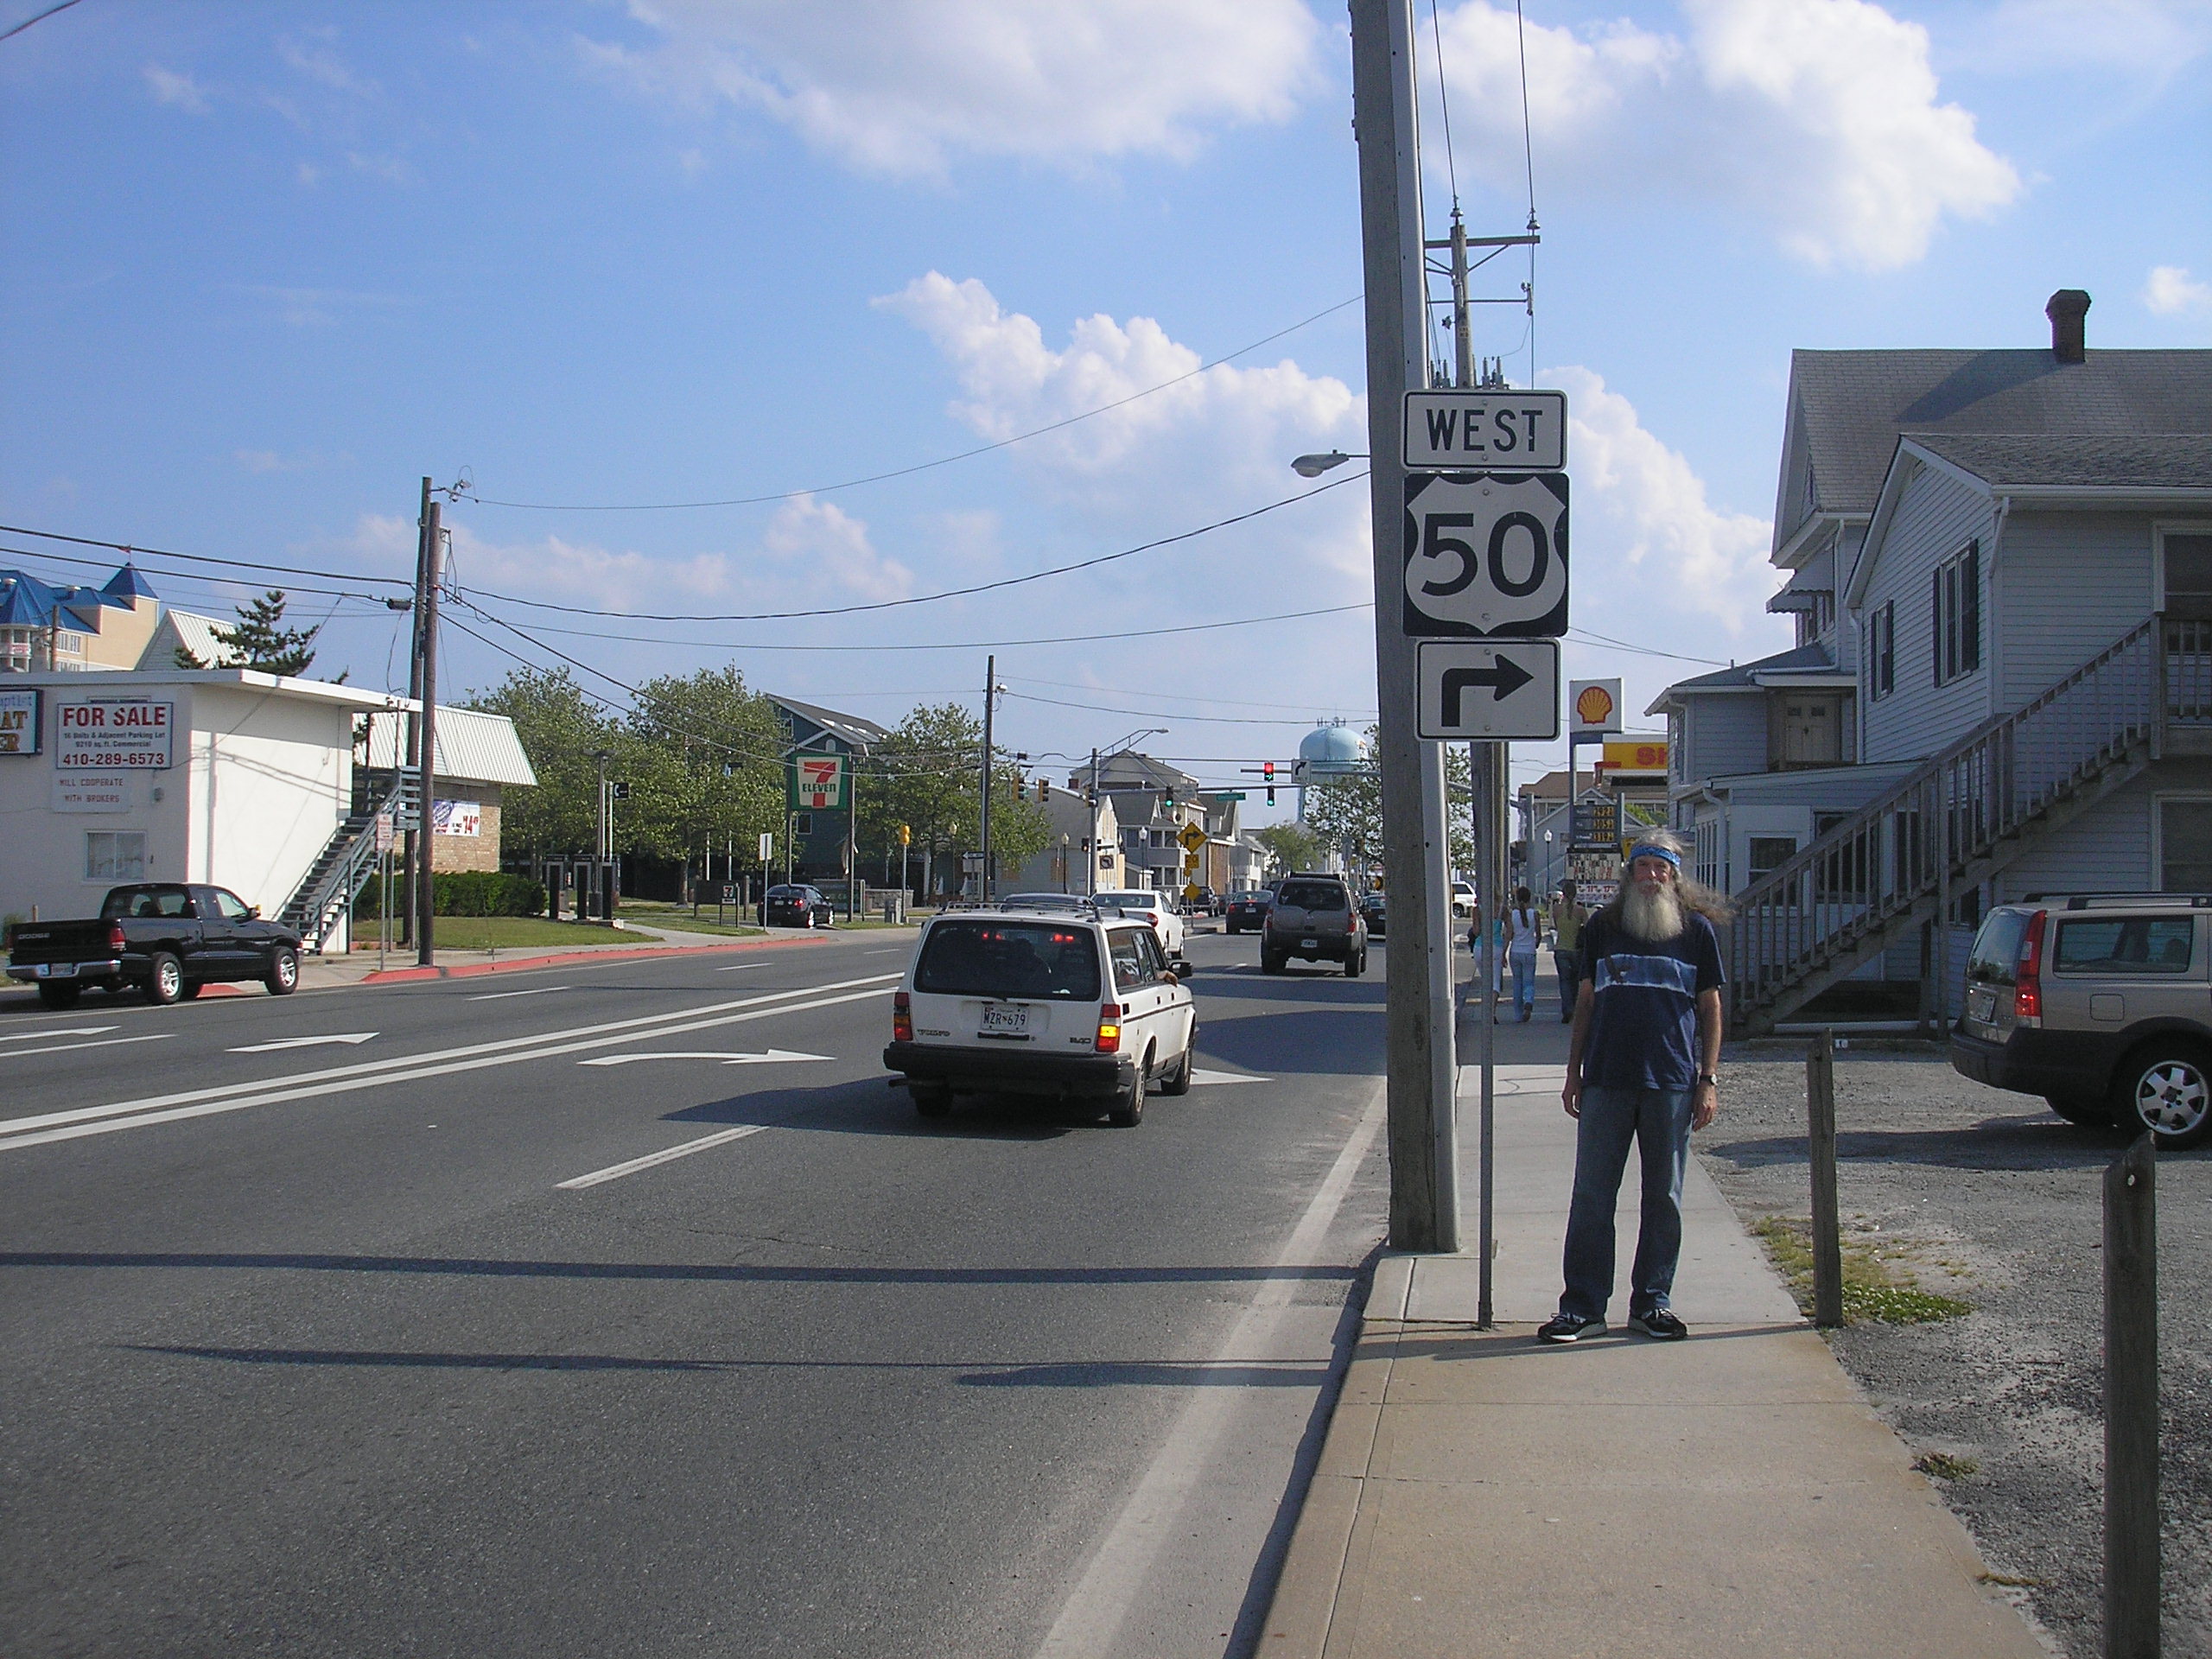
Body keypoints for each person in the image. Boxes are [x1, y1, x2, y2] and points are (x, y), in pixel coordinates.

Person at [1539, 830, 1729, 1344]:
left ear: (1674, 876)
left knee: (1663, 1198)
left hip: (1670, 1083)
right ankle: (1582, 1307)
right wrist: (1573, 1072)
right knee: (1592, 1196)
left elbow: (1710, 1008)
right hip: (1605, 1080)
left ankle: (1652, 1303)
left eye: (1660, 868)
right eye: (1642, 867)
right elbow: (1586, 1003)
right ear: (1629, 876)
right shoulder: (1603, 927)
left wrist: (1707, 1080)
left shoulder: (1697, 933)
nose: (1650, 877)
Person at [1548, 880, 1589, 1022]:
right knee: (1575, 982)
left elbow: (1557, 927)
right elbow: (1588, 928)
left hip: (1561, 949)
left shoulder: (1556, 909)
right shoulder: (1580, 911)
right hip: (1576, 950)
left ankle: (1567, 1008)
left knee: (1564, 981)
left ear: (1563, 894)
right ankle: (1575, 1008)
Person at [1504, 886, 1543, 1021]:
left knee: (1517, 983)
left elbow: (1509, 934)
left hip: (1515, 951)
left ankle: (1517, 1014)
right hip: (1529, 952)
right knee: (1529, 982)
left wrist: (1504, 952)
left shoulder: (1512, 914)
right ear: (1529, 898)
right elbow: (1538, 935)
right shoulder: (1535, 914)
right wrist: (1536, 944)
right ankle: (1529, 1001)